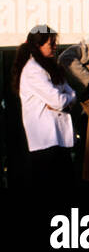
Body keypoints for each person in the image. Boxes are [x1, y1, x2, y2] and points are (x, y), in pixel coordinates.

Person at [12, 25, 77, 187]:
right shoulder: (33, 70)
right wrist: (65, 100)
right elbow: (60, 100)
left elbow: (72, 94)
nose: (55, 46)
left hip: (58, 139)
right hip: (45, 141)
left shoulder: (52, 68)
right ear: (37, 46)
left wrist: (64, 100)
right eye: (51, 43)